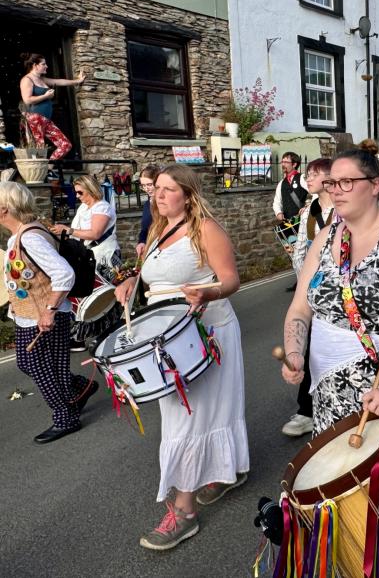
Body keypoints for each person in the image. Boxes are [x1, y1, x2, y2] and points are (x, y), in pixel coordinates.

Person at [114, 164, 249, 551]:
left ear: (188, 195)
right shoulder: (157, 230)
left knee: (193, 417)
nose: (159, 194)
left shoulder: (206, 229)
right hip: (166, 337)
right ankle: (224, 472)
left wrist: (208, 293)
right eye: (157, 188)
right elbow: (154, 276)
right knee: (184, 415)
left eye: (169, 189)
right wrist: (131, 282)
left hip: (206, 332)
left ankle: (185, 512)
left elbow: (231, 280)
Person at [280, 144, 379, 440]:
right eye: (331, 182)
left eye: (347, 182)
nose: (336, 190)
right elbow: (300, 309)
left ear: (375, 185)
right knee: (335, 477)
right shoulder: (326, 237)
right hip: (327, 390)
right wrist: (294, 353)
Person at [0, 182, 98, 443]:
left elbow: (64, 274)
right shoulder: (21, 235)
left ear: (3, 209)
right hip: (29, 314)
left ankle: (66, 417)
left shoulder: (30, 237)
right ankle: (80, 386)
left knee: (43, 367)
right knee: (29, 363)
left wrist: (50, 311)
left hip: (45, 316)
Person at [282, 158, 335, 437]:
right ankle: (306, 411)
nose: (307, 178)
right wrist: (305, 286)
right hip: (314, 291)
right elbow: (302, 250)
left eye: (314, 173)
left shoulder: (344, 209)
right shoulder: (309, 212)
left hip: (340, 292)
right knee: (309, 347)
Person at [51, 175, 121, 350]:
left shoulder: (102, 207)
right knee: (85, 293)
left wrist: (69, 229)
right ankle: (81, 336)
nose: (78, 196)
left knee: (107, 294)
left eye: (80, 192)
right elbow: (78, 233)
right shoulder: (84, 208)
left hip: (104, 254)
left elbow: (95, 233)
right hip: (88, 254)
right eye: (76, 193)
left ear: (90, 189)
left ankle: (113, 332)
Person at [19, 53, 84, 161]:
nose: (46, 66)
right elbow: (27, 100)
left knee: (65, 144)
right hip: (34, 118)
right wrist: (46, 96)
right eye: (43, 64)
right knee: (39, 150)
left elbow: (59, 82)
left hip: (46, 120)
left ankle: (49, 167)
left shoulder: (41, 79)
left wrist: (78, 81)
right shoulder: (27, 80)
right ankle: (41, 175)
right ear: (35, 65)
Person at [272, 152, 309, 292]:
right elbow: (276, 202)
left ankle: (305, 281)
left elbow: (316, 193)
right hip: (288, 224)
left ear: (294, 164)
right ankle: (300, 280)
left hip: (302, 222)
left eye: (286, 162)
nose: (283, 164)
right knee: (292, 254)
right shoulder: (281, 183)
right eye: (282, 161)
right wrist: (278, 212)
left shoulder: (302, 178)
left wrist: (307, 206)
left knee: (304, 252)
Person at [135, 164, 160, 259]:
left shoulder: (168, 205)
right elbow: (145, 229)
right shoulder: (147, 204)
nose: (146, 189)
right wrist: (141, 242)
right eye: (143, 186)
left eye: (149, 184)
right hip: (151, 250)